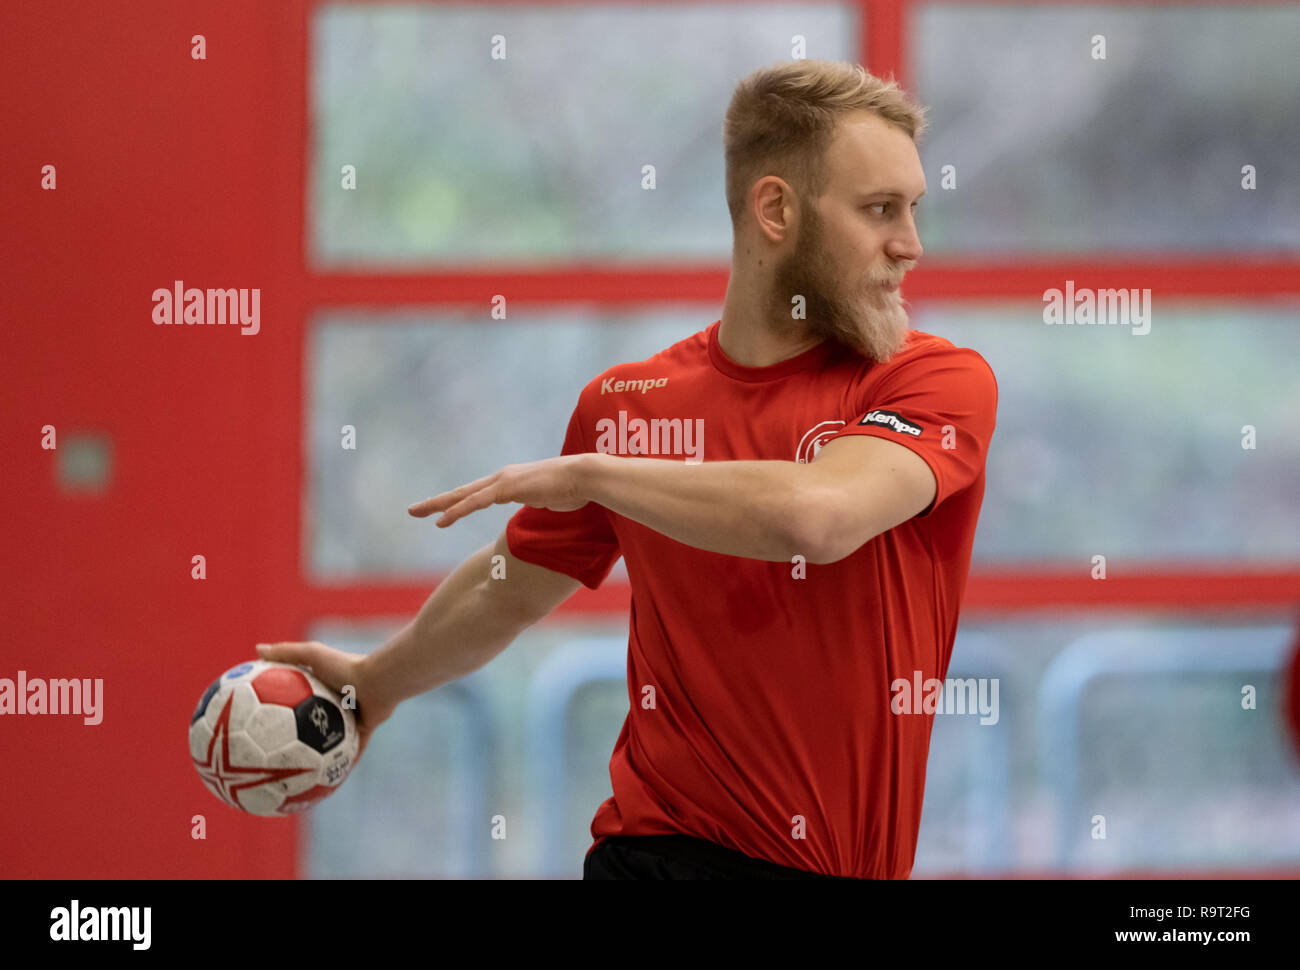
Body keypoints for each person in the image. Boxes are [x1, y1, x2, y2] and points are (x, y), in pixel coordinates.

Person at [259, 58, 998, 879]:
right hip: (657, 854)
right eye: (879, 210)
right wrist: (374, 682)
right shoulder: (629, 405)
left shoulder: (932, 381)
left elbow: (818, 517)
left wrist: (599, 478)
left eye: (913, 209)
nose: (912, 244)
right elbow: (508, 584)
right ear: (777, 209)